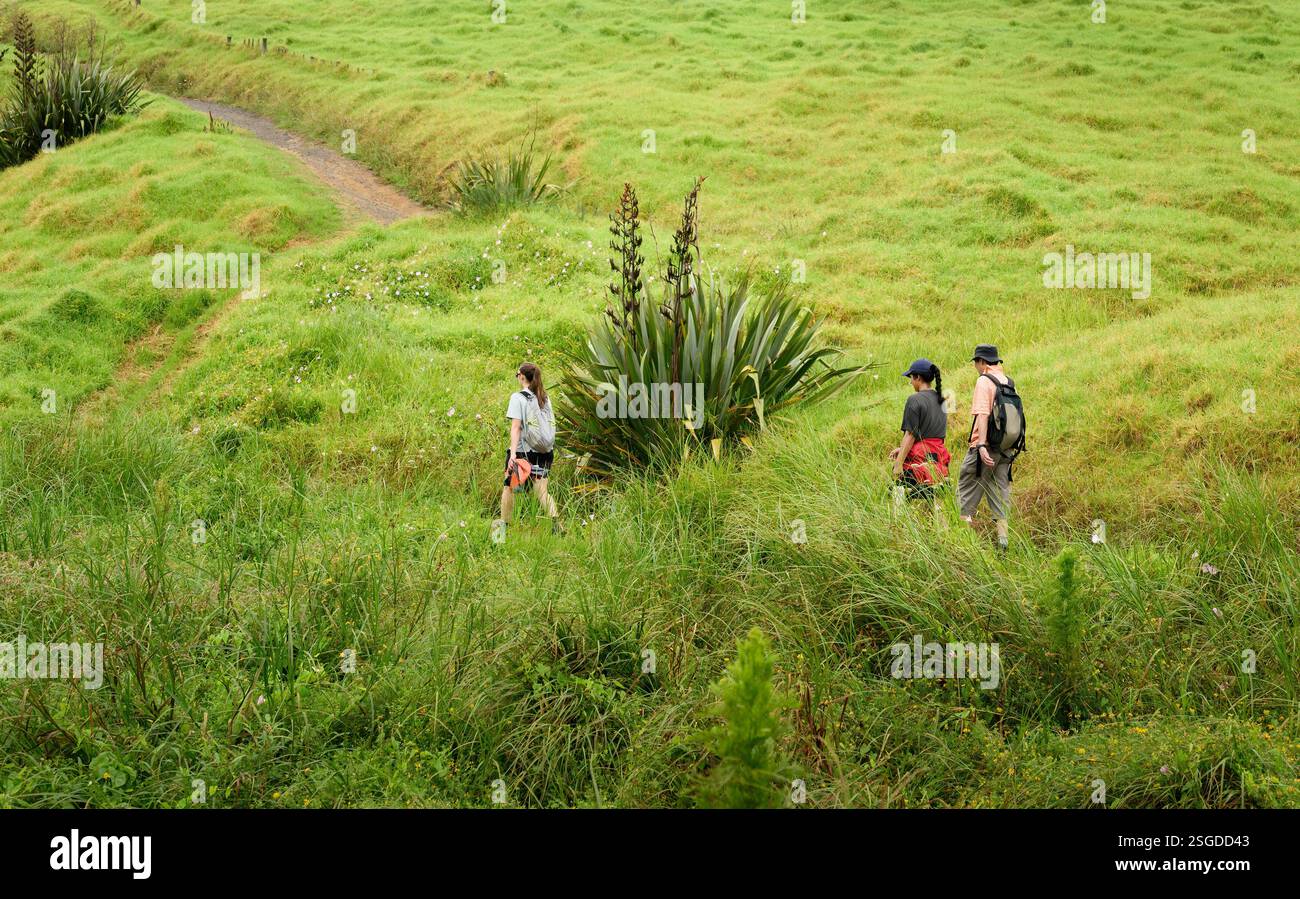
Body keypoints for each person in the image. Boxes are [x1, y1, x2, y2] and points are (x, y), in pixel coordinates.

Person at [496, 362, 562, 537]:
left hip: (523, 452)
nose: (517, 377)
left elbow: (516, 427)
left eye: (517, 374)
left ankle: (503, 530)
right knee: (542, 491)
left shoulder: (518, 398)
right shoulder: (545, 398)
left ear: (523, 377)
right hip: (544, 452)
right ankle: (557, 526)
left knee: (509, 488)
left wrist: (513, 454)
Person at [959, 344, 1013, 551]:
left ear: (981, 362)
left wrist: (981, 444)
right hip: (1005, 450)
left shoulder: (984, 380)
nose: (975, 366)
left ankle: (963, 547)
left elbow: (982, 413)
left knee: (965, 492)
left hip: (985, 448)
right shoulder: (1008, 381)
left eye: (975, 362)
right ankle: (1003, 544)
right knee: (999, 497)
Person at [889, 358, 950, 504]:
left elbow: (910, 434)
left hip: (919, 459)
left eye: (911, 378)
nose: (910, 382)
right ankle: (940, 526)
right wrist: (902, 449)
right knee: (936, 498)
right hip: (939, 457)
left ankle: (898, 524)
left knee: (898, 491)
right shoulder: (942, 399)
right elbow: (934, 435)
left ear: (918, 377)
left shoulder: (914, 400)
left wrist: (898, 463)